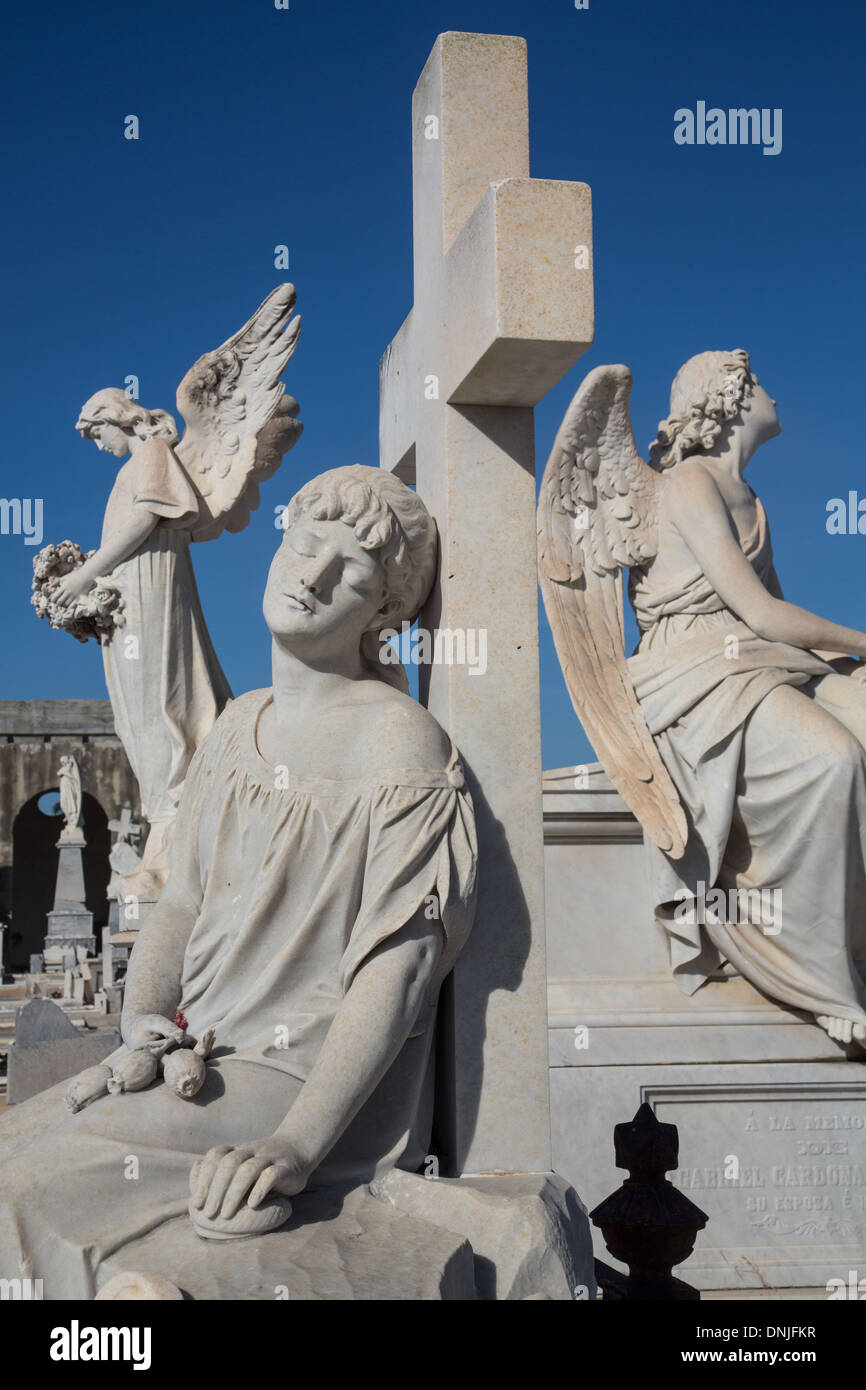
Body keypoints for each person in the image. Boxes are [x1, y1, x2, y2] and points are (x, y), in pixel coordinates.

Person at [0, 466, 477, 1298]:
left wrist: (295, 1147)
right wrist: (144, 1016)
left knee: (21, 1186)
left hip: (307, 1090)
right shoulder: (234, 727)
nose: (314, 571)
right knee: (18, 1158)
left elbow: (396, 973)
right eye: (306, 541)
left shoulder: (399, 746)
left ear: (385, 612)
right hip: (201, 1059)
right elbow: (183, 900)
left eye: (353, 571)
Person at [628, 351, 866, 1044]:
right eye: (756, 382)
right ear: (728, 399)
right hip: (695, 667)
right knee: (832, 760)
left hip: (755, 658)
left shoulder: (750, 497)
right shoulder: (689, 485)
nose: (768, 392)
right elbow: (759, 616)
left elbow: (779, 618)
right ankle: (814, 971)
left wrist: (848, 664)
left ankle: (852, 935)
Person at [56, 389, 233, 895]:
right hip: (128, 595)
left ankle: (175, 837)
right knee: (133, 714)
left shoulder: (154, 454)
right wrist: (91, 599)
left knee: (159, 702)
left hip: (153, 589)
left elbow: (144, 519)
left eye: (97, 433)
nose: (97, 445)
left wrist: (85, 575)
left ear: (117, 419)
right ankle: (164, 834)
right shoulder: (129, 468)